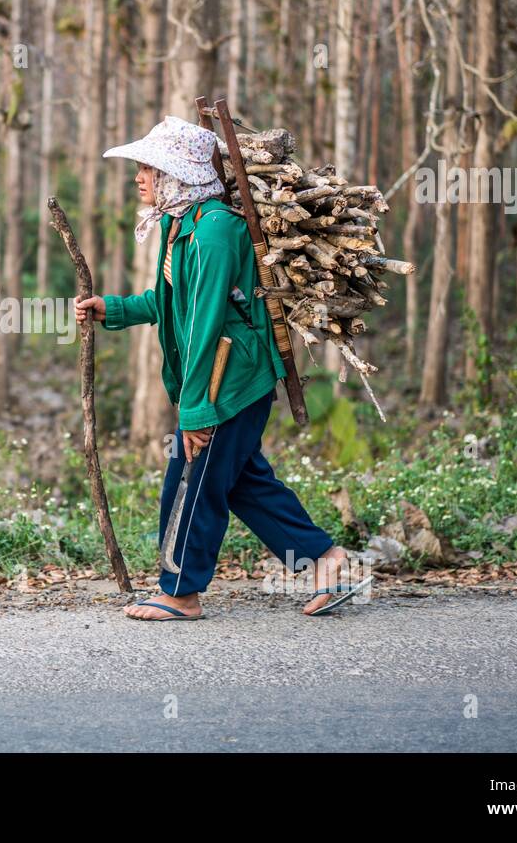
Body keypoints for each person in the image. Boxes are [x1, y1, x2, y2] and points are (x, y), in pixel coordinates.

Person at [74, 115, 368, 620]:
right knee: (241, 480)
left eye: (150, 168)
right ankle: (327, 560)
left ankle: (181, 592)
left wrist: (195, 410)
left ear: (179, 175)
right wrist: (116, 309)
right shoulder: (178, 224)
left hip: (231, 379)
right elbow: (174, 302)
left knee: (192, 482)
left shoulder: (214, 231)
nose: (139, 177)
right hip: (219, 378)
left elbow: (206, 325)